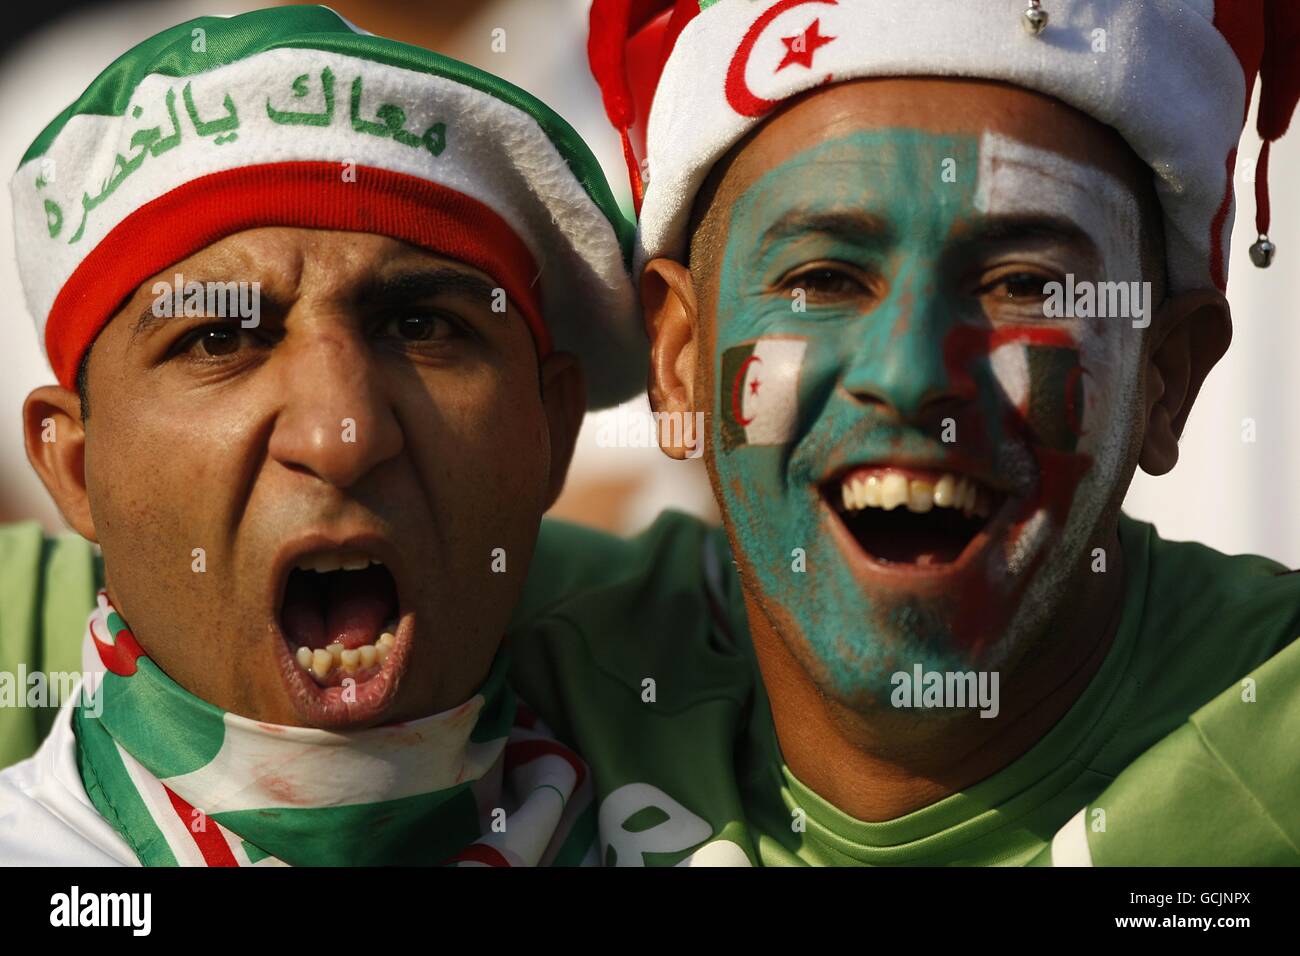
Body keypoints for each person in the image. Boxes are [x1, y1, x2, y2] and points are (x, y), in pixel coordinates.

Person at [505, 0, 1300, 865]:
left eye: (1024, 285)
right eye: (825, 279)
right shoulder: (509, 645)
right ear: (681, 361)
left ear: (1167, 376)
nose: (913, 375)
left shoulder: (1271, 724)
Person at [0, 4, 642, 866]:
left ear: (551, 430)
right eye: (220, 339)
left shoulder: (718, 816)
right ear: (75, 467)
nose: (342, 437)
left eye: (420, 326)